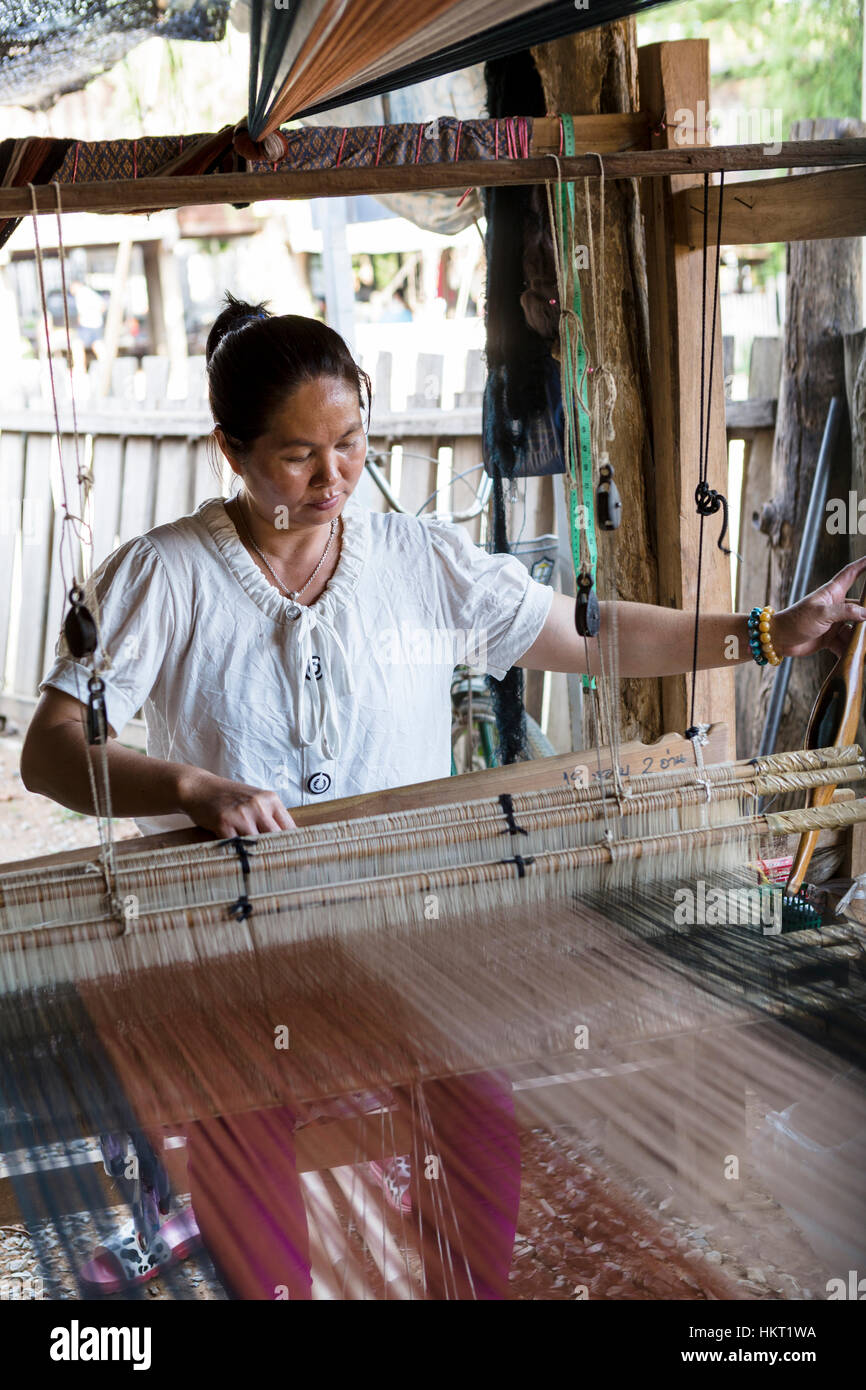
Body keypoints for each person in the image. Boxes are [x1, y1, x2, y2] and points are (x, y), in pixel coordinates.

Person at [20, 293, 866, 1299]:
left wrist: (763, 632)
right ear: (231, 450)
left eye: (350, 442)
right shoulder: (165, 575)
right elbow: (51, 752)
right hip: (229, 951)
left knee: (477, 1118)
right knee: (243, 1148)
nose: (333, 476)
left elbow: (584, 634)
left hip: (396, 927)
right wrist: (189, 786)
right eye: (298, 455)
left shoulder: (414, 561)